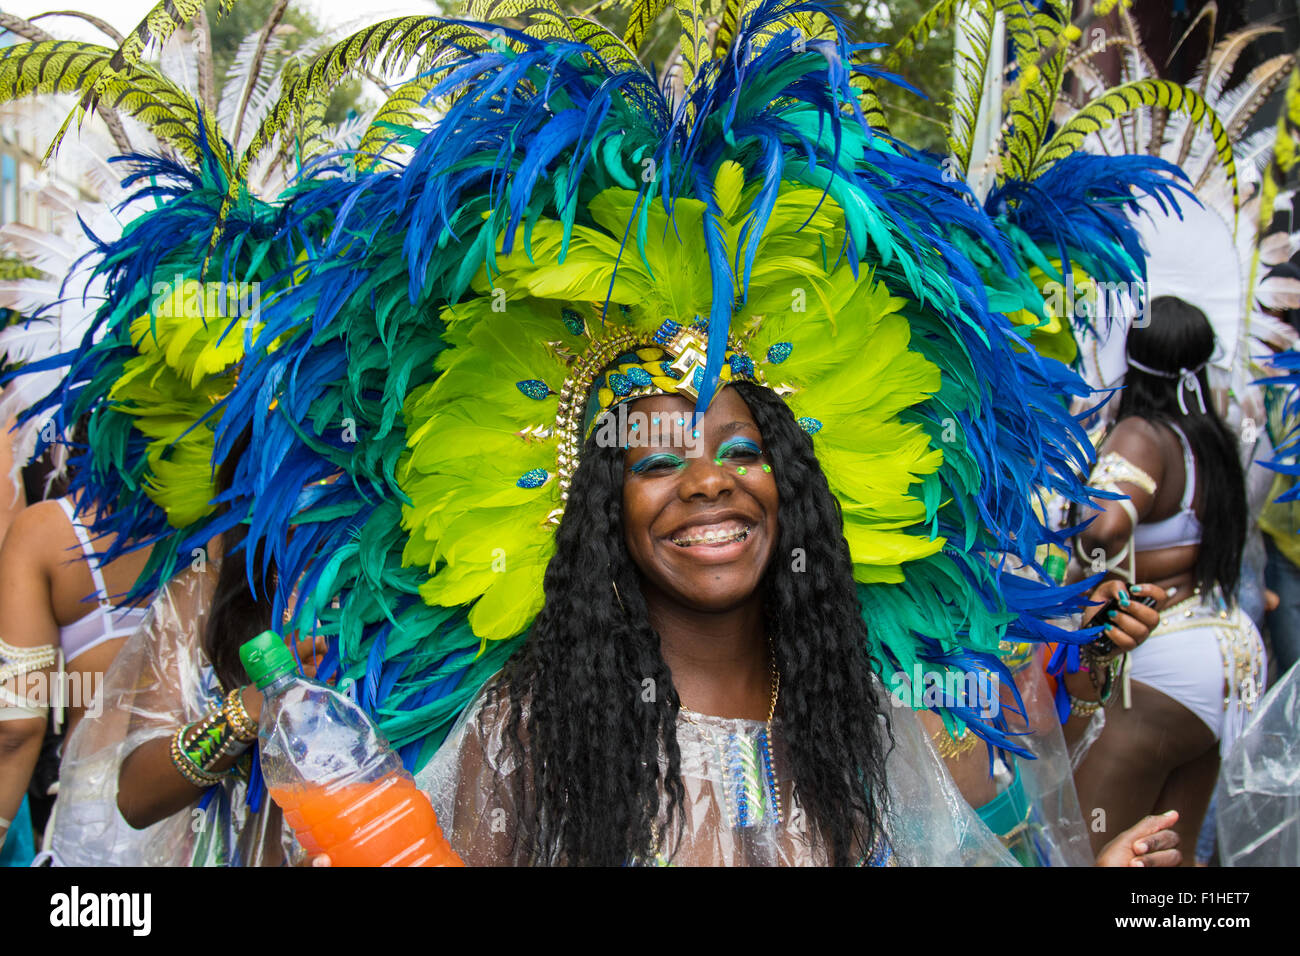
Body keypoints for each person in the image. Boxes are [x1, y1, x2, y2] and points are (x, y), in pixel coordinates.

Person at [1071, 295, 1265, 860]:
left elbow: (1100, 533)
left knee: (1086, 849)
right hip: (1223, 659)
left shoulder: (1140, 435)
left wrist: (1078, 543)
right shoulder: (1209, 435)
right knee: (1166, 865)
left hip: (1163, 663)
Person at [0, 491, 151, 861]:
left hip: (102, 824)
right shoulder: (241, 518)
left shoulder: (48, 532)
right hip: (230, 816)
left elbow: (15, 728)